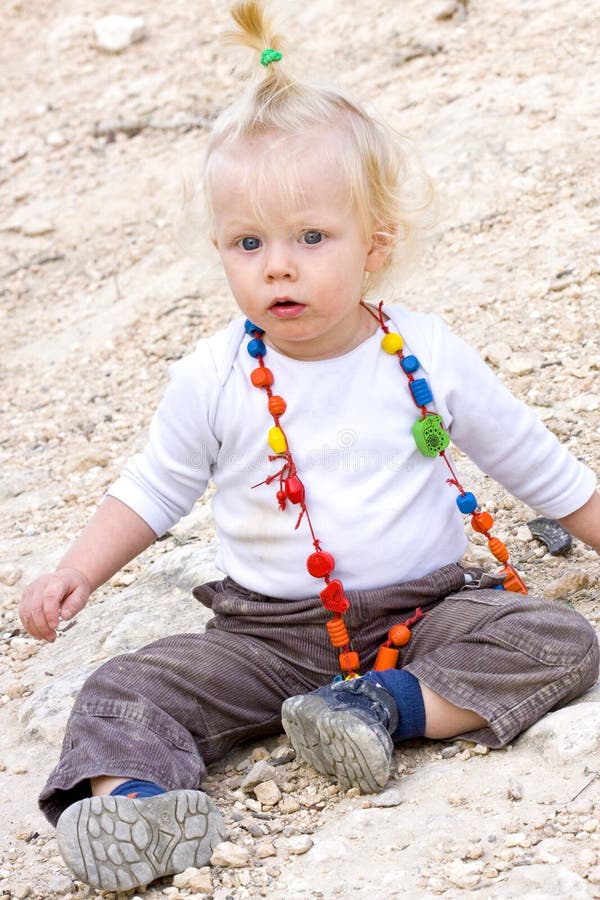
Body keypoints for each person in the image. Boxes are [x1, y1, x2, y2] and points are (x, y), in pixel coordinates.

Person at [19, 0, 600, 893]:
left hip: (424, 619)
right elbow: (153, 487)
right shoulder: (213, 376)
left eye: (311, 238)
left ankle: (380, 710)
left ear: (377, 244)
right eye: (249, 243)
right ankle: (136, 806)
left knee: (555, 636)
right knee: (125, 686)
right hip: (269, 635)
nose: (277, 266)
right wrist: (79, 569)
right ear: (220, 249)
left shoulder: (428, 354)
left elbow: (539, 468)